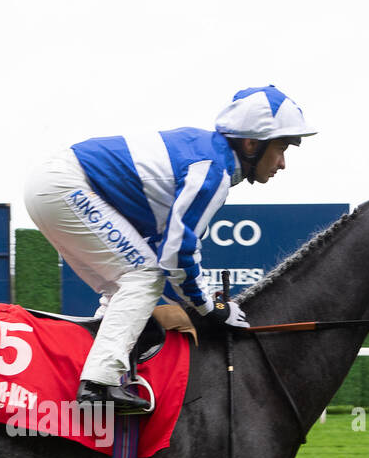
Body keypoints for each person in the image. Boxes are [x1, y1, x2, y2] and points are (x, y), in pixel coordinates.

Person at [24, 86, 315, 413]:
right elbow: (176, 253)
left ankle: (92, 371)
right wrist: (209, 308)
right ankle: (99, 384)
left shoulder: (209, 156)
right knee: (143, 276)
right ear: (251, 144)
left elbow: (166, 247)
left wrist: (200, 302)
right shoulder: (212, 171)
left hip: (55, 186)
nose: (283, 163)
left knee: (125, 286)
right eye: (281, 149)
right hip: (65, 186)